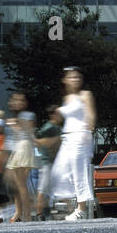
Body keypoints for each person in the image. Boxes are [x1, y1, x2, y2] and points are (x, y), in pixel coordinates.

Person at [51, 67, 97, 221]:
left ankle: (81, 209)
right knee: (59, 171)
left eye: (78, 77)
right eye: (72, 77)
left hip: (80, 136)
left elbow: (91, 114)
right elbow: (60, 119)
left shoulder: (85, 95)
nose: (75, 80)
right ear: (65, 80)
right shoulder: (66, 98)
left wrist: (89, 130)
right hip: (67, 137)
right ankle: (72, 207)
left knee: (79, 172)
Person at [4, 92, 36, 223]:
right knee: (13, 184)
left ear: (25, 103)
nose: (17, 102)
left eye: (20, 100)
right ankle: (19, 211)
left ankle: (27, 215)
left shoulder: (27, 115)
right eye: (14, 100)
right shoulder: (14, 118)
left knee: (21, 185)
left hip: (24, 148)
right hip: (16, 150)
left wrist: (16, 123)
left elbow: (29, 132)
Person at [32, 105, 63, 221]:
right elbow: (37, 139)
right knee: (43, 189)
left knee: (50, 190)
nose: (61, 116)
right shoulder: (49, 127)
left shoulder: (56, 127)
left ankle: (46, 213)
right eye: (59, 114)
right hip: (47, 163)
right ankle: (40, 215)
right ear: (53, 115)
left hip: (54, 163)